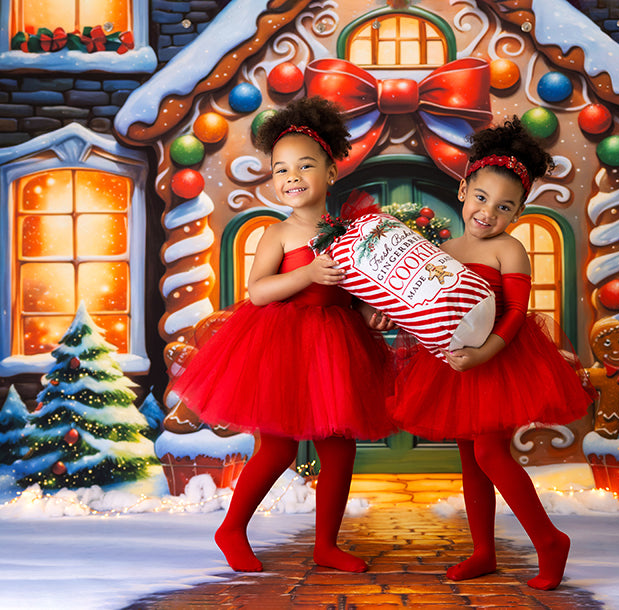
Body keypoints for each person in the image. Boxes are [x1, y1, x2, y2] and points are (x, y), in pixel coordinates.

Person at [172, 96, 396, 573]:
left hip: (338, 344)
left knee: (340, 448)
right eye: (281, 169)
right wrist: (307, 274)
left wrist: (370, 314)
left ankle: (326, 545)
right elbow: (257, 292)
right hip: (285, 344)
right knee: (277, 446)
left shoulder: (351, 232)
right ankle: (231, 528)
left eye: (305, 166)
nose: (292, 177)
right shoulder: (278, 232)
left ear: (331, 172)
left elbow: (355, 293)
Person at [392, 117, 595, 590]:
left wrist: (485, 353)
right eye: (481, 198)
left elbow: (518, 313)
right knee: (471, 457)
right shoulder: (444, 249)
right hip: (455, 362)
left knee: (488, 450)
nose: (488, 213)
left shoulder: (510, 250)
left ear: (518, 212)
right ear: (463, 190)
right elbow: (427, 306)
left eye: (504, 207)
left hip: (499, 359)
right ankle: (483, 550)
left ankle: (549, 540)